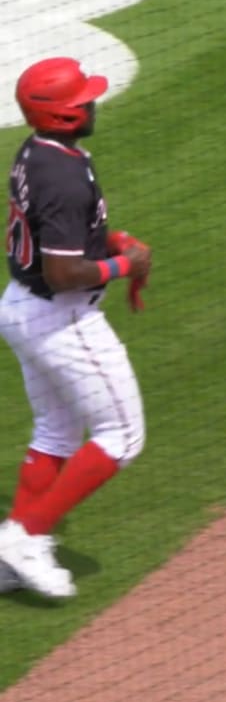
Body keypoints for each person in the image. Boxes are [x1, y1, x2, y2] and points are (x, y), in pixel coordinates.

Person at [0, 57, 153, 599]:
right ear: (62, 116)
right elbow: (62, 273)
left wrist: (108, 242)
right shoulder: (63, 176)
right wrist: (123, 265)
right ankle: (28, 538)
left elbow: (54, 237)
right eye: (82, 100)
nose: (91, 103)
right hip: (60, 317)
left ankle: (11, 544)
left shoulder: (40, 153)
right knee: (123, 437)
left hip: (21, 306)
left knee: (56, 432)